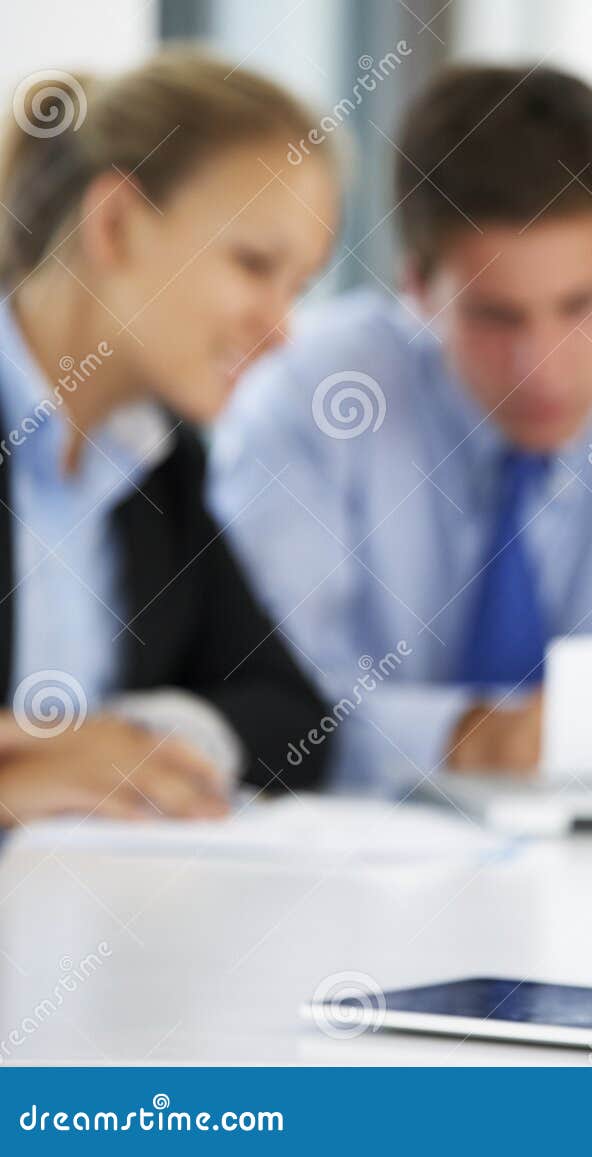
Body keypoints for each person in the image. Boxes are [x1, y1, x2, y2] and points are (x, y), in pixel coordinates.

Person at [209, 65, 592, 793]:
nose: (542, 370)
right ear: (416, 286)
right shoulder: (314, 404)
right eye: (495, 316)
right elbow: (264, 703)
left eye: (580, 306)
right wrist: (468, 737)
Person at [0, 51, 338, 827]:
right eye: (254, 265)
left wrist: (129, 742)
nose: (280, 330)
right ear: (115, 224)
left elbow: (293, 718)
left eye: (298, 286)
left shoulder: (157, 461)